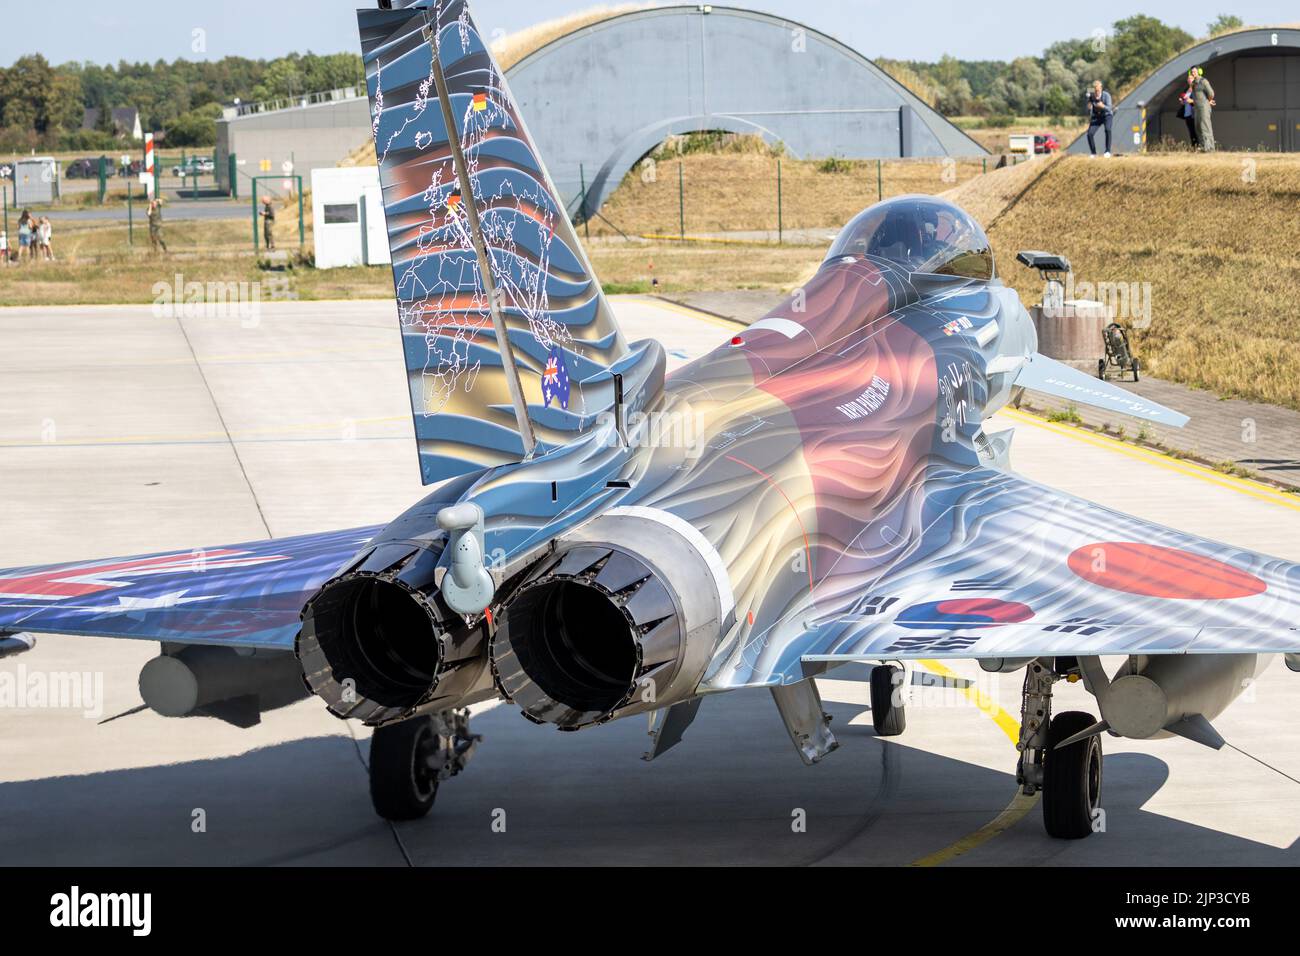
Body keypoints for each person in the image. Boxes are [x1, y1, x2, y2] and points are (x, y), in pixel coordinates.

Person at [1085, 80, 1113, 157]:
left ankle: (1107, 151)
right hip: (1096, 116)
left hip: (1107, 115)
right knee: (1089, 134)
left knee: (1108, 129)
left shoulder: (1106, 95)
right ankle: (1093, 153)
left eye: (1098, 90)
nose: (1096, 92)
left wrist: (1103, 106)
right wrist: (1088, 105)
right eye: (1095, 90)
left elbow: (1110, 108)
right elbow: (1088, 109)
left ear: (1101, 88)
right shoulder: (1091, 96)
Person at [1192, 66, 1217, 152]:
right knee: (1198, 127)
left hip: (1204, 108)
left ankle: (1209, 148)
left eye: (1194, 71)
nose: (1193, 73)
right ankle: (1203, 146)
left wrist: (1207, 101)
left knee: (1205, 127)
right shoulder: (1193, 83)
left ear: (1199, 71)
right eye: (1191, 72)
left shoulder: (1203, 81)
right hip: (1197, 108)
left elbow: (1211, 93)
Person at [1178, 71, 1199, 148]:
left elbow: (1199, 101)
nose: (1189, 79)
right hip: (1187, 114)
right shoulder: (1186, 89)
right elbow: (1184, 100)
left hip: (1194, 113)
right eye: (1188, 78)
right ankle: (1194, 147)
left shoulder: (1196, 89)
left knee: (1196, 131)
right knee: (1191, 131)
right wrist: (1182, 101)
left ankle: (1198, 146)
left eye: (1191, 78)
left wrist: (1190, 100)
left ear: (1194, 79)